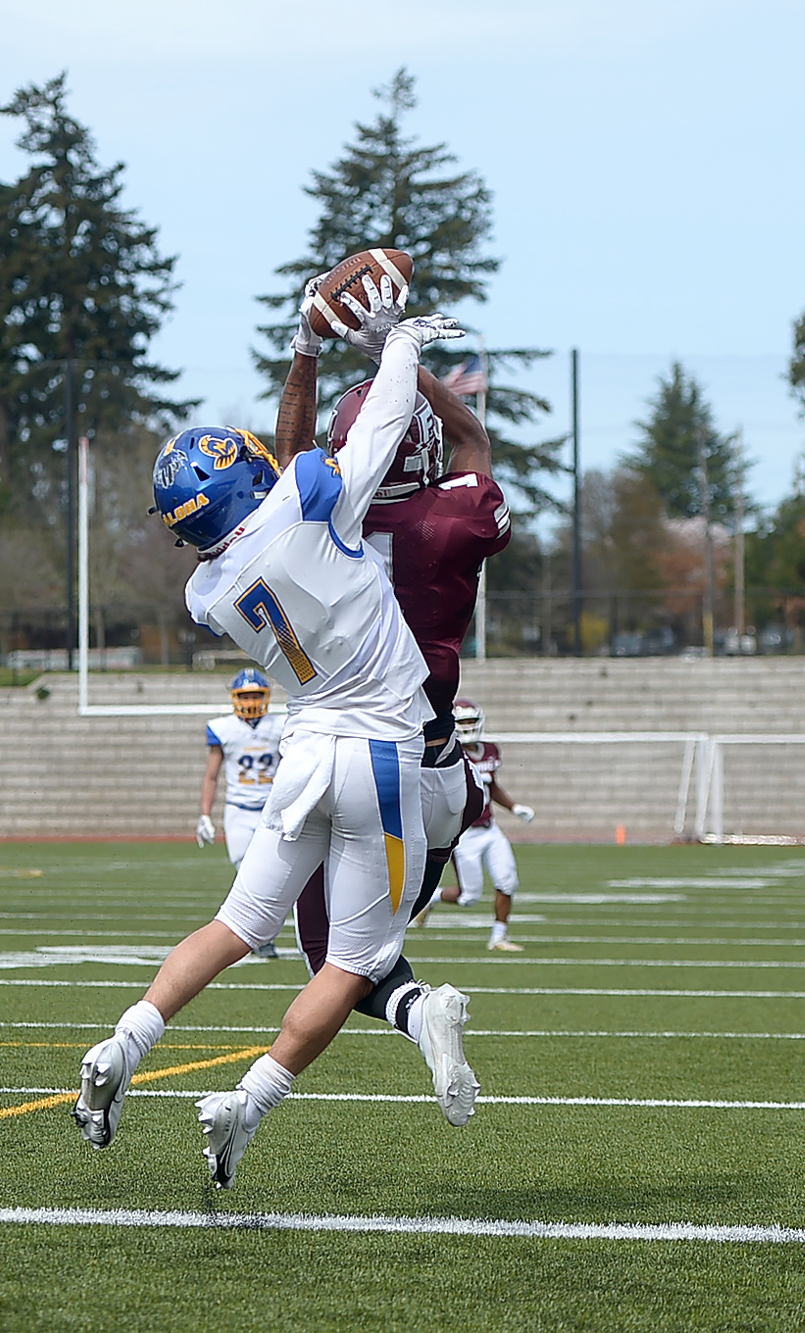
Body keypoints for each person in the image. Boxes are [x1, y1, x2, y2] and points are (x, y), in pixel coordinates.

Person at [74, 285, 462, 1188]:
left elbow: (290, 469)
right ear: (250, 479)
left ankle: (121, 1044)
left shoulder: (206, 592)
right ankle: (246, 1101)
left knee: (238, 922)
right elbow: (374, 430)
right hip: (379, 752)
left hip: (303, 751)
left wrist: (306, 349)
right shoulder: (307, 503)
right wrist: (397, 343)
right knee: (354, 961)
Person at [287, 332, 514, 1123]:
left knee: (335, 960)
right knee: (373, 942)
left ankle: (421, 1013)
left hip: (358, 767)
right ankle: (422, 1012)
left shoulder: (317, 532)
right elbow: (475, 438)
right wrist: (405, 358)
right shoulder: (460, 516)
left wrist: (314, 352)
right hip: (444, 773)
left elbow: (296, 463)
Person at [197, 668, 284, 960]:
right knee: (246, 874)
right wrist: (205, 815)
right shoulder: (224, 729)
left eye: (255, 695)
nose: (250, 701)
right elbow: (212, 776)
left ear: (266, 697)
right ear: (235, 698)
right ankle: (258, 937)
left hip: (273, 811)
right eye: (245, 695)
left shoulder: (281, 725)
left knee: (273, 877)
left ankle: (265, 938)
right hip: (239, 811)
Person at [444, 699, 535, 951]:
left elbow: (490, 786)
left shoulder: (490, 751)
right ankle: (432, 898)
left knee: (507, 881)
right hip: (463, 834)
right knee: (468, 897)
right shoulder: (447, 754)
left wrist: (514, 807)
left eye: (472, 721)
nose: (468, 726)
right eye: (463, 721)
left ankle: (498, 938)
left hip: (490, 829)